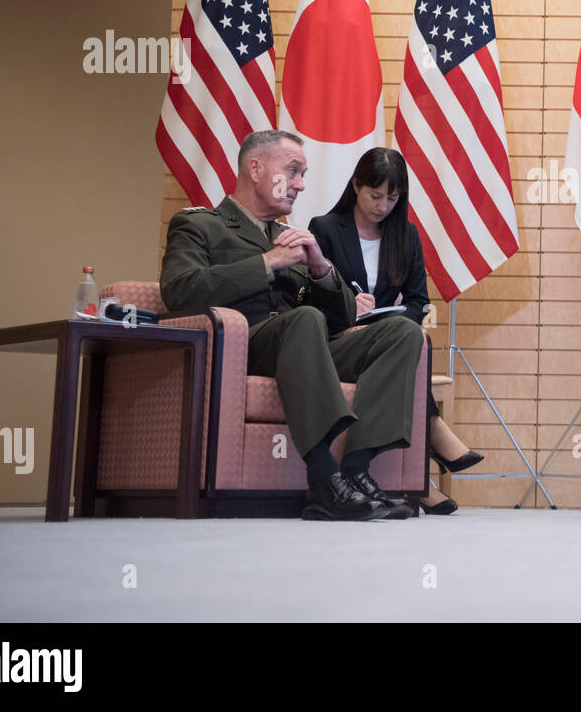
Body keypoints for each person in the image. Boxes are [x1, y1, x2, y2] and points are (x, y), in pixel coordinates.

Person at [160, 130, 424, 522]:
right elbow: (179, 290)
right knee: (304, 319)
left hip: (304, 348)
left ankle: (355, 470)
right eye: (294, 171)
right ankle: (323, 479)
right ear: (256, 168)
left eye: (303, 173)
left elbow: (342, 318)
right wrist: (267, 263)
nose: (301, 184)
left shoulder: (291, 236)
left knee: (402, 332)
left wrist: (319, 268)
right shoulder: (200, 224)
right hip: (244, 348)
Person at [309, 147, 483, 515]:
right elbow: (307, 299)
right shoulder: (324, 228)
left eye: (393, 197)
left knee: (407, 335)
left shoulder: (405, 235)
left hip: (385, 341)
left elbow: (419, 300)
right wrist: (347, 314)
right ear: (356, 185)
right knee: (406, 346)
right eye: (375, 195)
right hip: (338, 344)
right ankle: (427, 455)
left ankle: (411, 479)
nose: (383, 206)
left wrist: (392, 321)